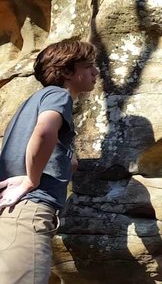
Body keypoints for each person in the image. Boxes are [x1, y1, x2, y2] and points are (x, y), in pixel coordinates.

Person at [0, 40, 98, 283]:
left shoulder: (31, 103)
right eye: (88, 66)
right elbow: (44, 132)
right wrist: (32, 180)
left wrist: (67, 159)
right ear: (66, 72)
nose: (95, 72)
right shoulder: (58, 95)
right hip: (28, 212)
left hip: (11, 214)